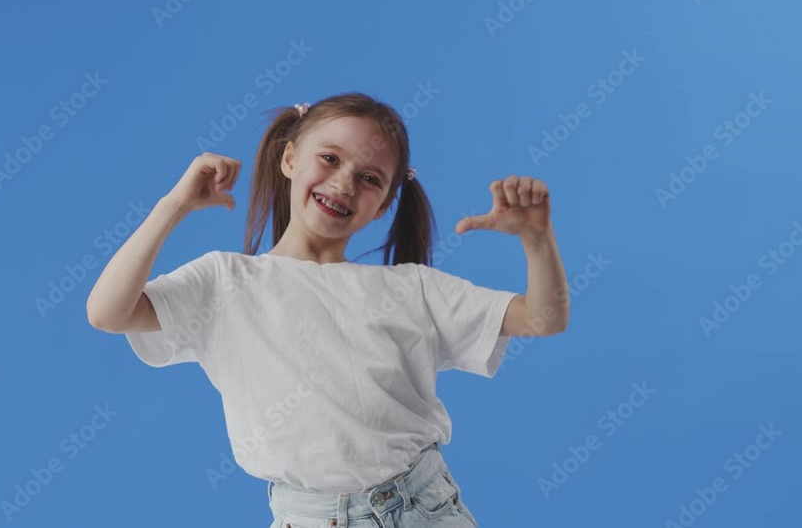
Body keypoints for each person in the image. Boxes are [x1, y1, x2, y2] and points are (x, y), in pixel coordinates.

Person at [86, 92, 569, 527]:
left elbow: (541, 319)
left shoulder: (411, 289)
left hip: (423, 511)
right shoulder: (224, 282)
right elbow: (108, 312)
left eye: (368, 178)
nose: (342, 184)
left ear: (383, 206)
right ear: (290, 157)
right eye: (329, 158)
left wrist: (537, 240)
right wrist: (175, 204)